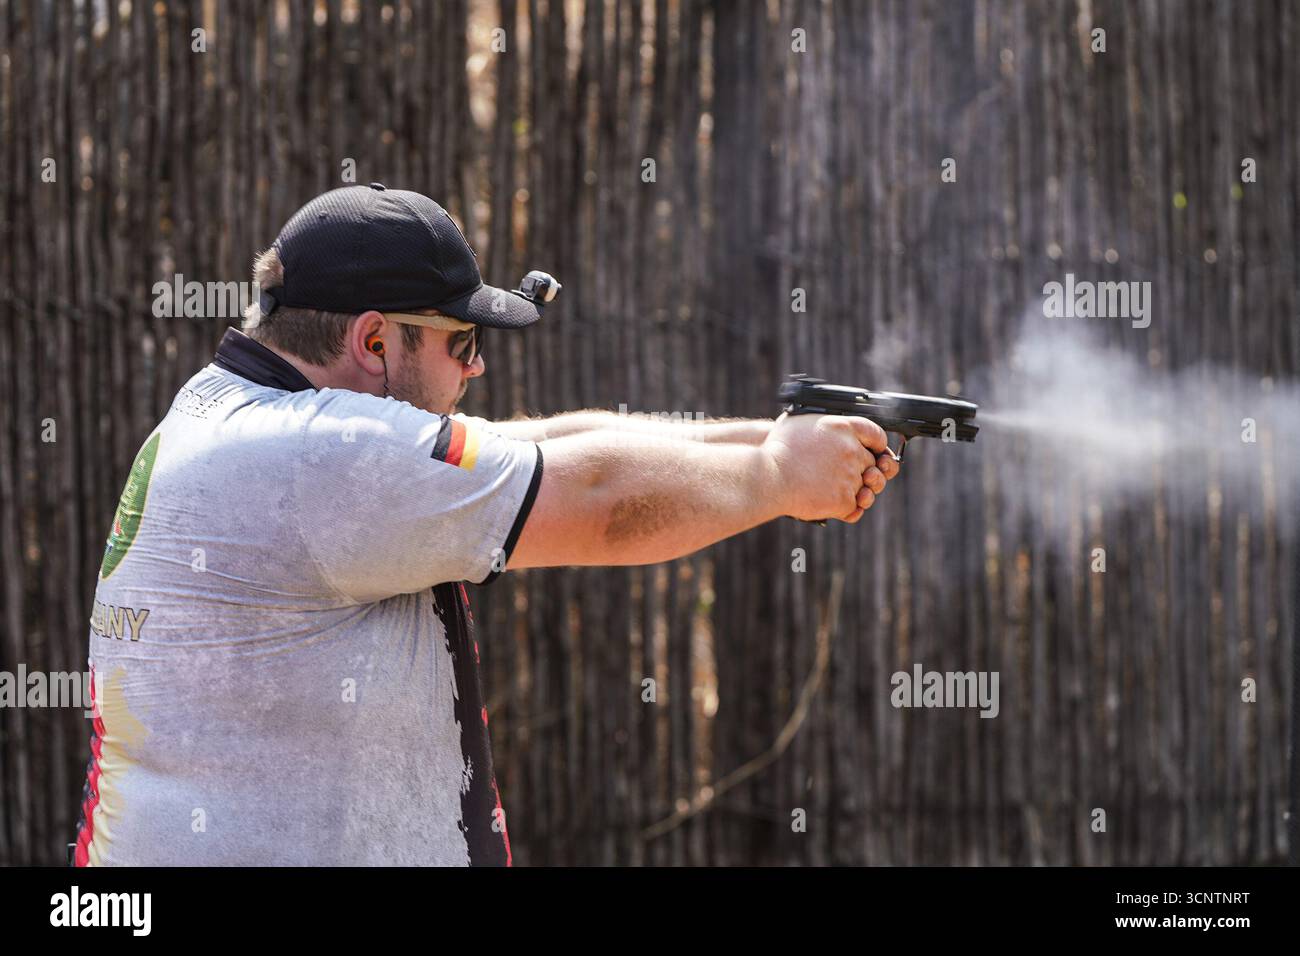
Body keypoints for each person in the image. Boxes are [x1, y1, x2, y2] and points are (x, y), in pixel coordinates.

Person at [73, 183, 899, 866]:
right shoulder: (324, 455)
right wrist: (777, 478)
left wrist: (763, 438)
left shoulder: (243, 411)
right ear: (373, 340)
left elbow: (534, 447)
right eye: (460, 341)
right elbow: (600, 502)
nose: (477, 366)